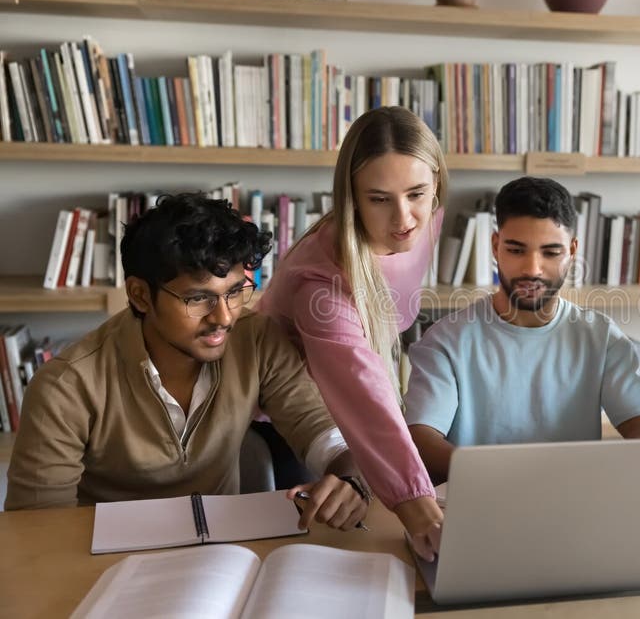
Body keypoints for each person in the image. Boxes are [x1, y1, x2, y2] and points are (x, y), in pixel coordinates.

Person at [5, 194, 368, 532]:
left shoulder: (257, 339)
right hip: (103, 565)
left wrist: (349, 478)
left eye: (235, 292)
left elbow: (319, 431)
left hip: (219, 556)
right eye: (198, 299)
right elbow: (38, 530)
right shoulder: (66, 387)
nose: (224, 317)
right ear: (141, 295)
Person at [257, 106, 447, 560]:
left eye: (417, 193)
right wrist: (420, 510)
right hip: (294, 430)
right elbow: (360, 386)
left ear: (436, 181)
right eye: (379, 198)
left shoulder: (425, 219)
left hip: (363, 419)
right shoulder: (319, 283)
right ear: (352, 199)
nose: (404, 218)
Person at [404, 176, 640, 483]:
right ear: (495, 245)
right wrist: (504, 480)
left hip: (575, 506)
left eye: (551, 252)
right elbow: (421, 438)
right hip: (481, 502)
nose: (532, 269)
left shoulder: (601, 337)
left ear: (572, 251)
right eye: (516, 250)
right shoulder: (446, 341)